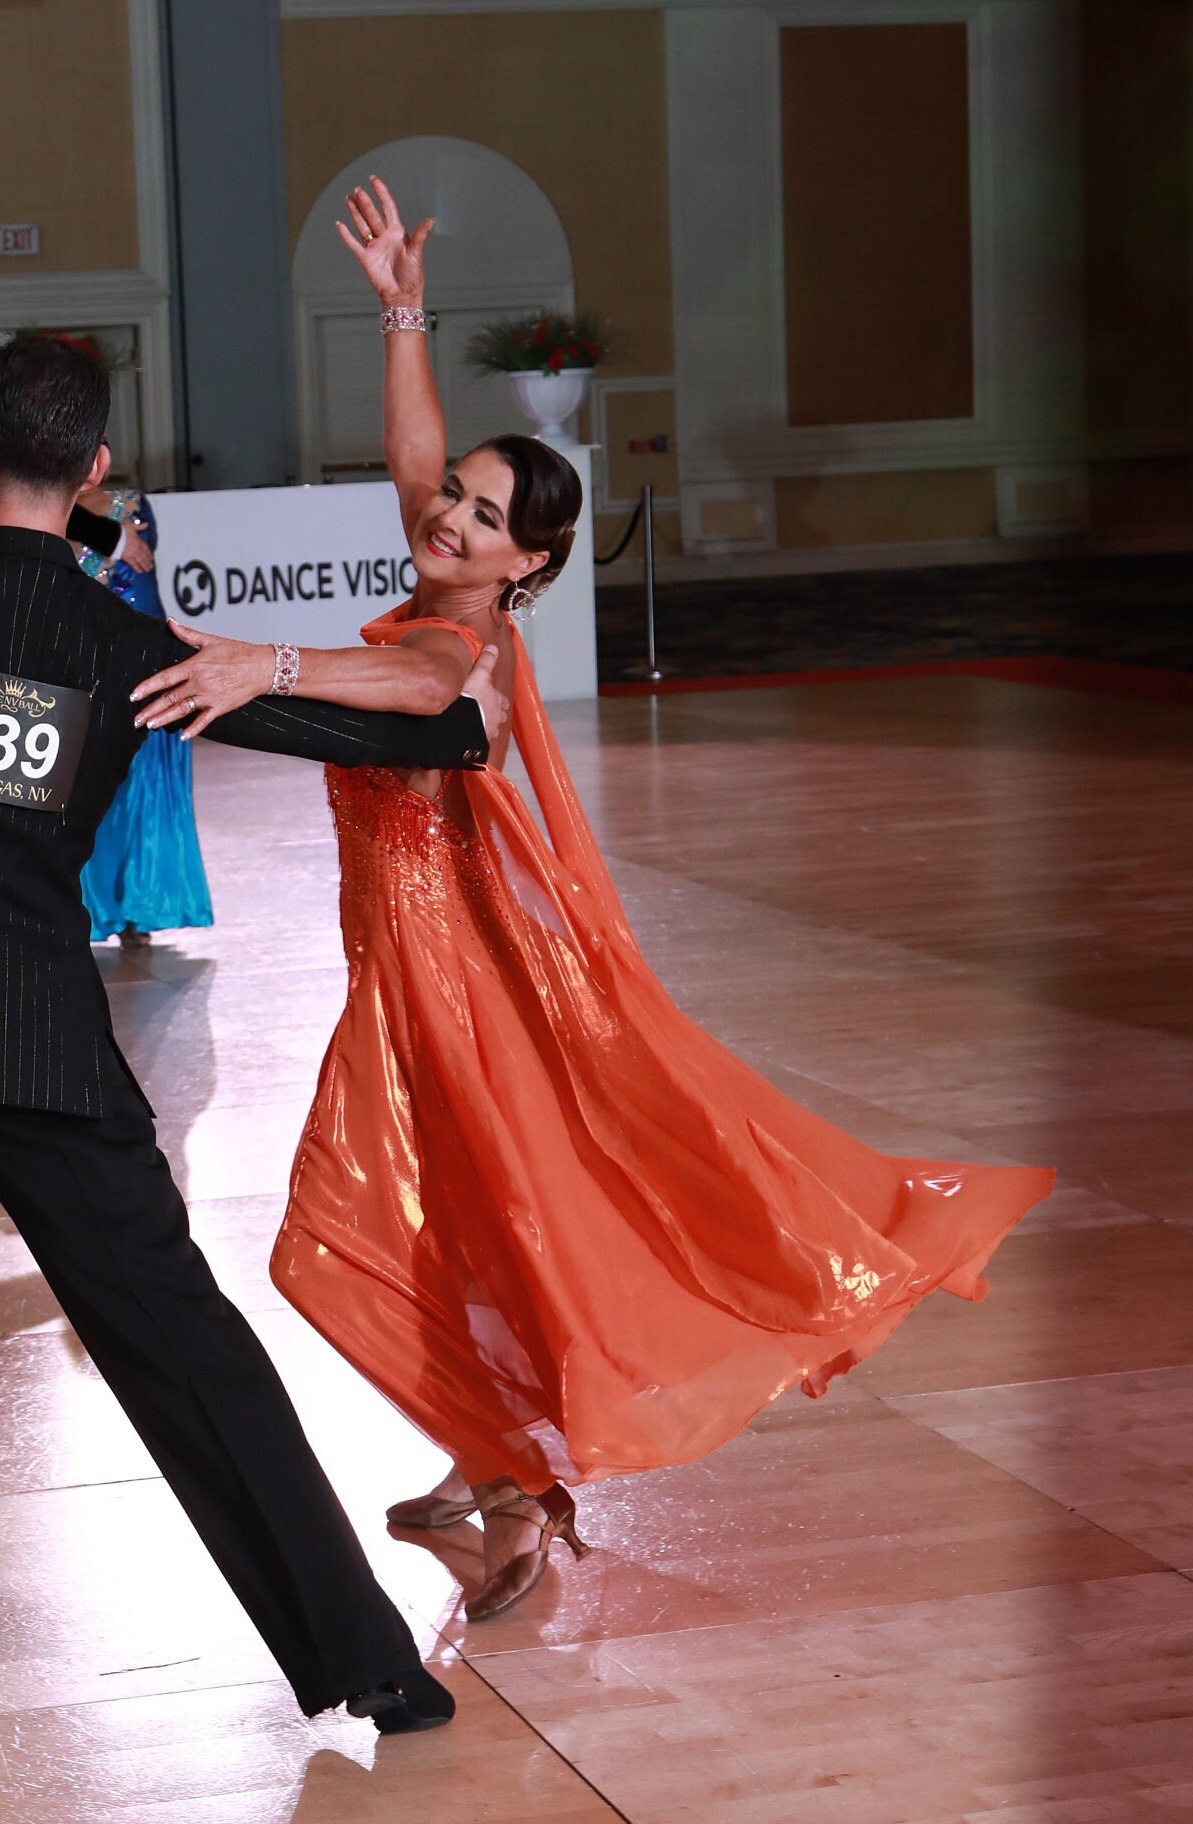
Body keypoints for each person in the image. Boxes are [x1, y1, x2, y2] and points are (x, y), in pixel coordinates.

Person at [133, 179, 1054, 1625]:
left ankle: (504, 1483)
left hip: (451, 982)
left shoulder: (467, 648)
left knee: (414, 1223)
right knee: (454, 1223)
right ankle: (493, 1475)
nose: (446, 514)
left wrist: (271, 660)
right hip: (403, 966)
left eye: (482, 515)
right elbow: (415, 456)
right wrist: (398, 312)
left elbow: (421, 684)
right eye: (453, 501)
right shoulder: (448, 580)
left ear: (530, 562)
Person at [0, 334, 505, 1729]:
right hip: (38, 1053)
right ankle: (370, 1666)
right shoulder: (124, 645)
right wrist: (460, 729)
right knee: (192, 1360)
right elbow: (374, 729)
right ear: (96, 469)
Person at [72, 480, 214, 946]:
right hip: (81, 671)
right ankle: (92, 906)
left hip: (138, 668)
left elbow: (140, 571)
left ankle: (141, 901)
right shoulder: (40, 509)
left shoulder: (129, 505)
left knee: (139, 781)